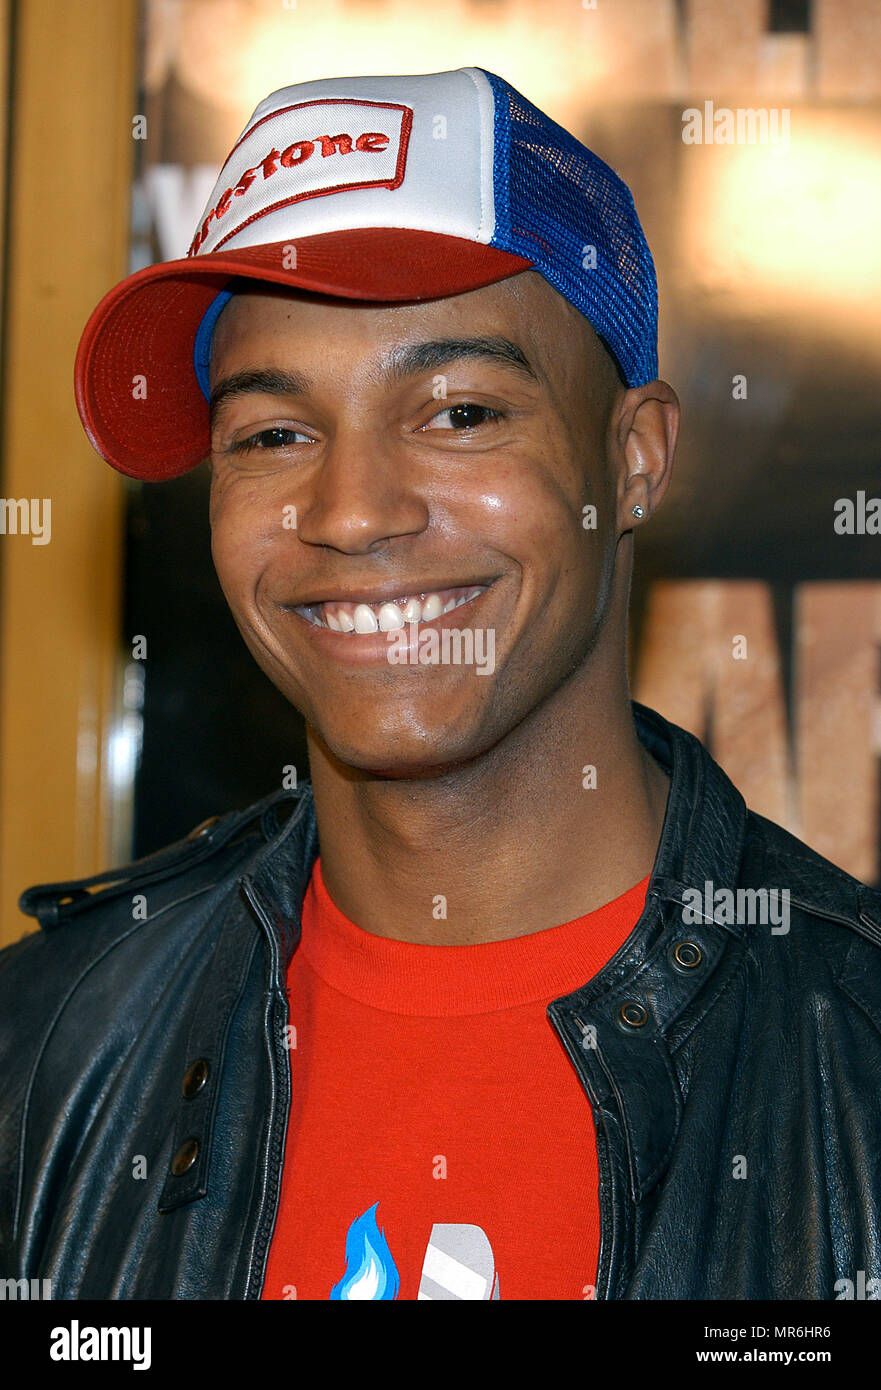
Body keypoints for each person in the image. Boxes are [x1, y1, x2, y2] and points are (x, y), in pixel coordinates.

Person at [2, 66, 880, 1302]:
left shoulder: (850, 1057)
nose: (351, 512)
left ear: (633, 460)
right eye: (271, 433)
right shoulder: (46, 1045)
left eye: (460, 411)